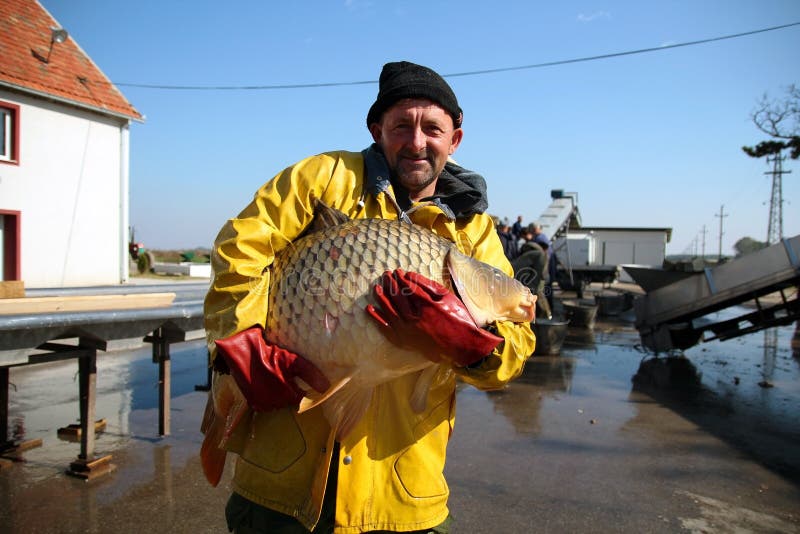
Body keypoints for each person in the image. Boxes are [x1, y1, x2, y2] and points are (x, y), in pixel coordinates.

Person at [203, 61, 536, 534]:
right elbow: (240, 252)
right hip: (283, 487)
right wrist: (245, 347)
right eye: (402, 125)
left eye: (432, 129)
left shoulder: (472, 231)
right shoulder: (325, 177)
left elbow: (517, 345)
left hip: (400, 497)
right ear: (378, 130)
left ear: (454, 140)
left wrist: (475, 350)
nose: (417, 141)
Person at [511, 224, 552, 319]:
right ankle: (544, 318)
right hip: (532, 279)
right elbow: (540, 273)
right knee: (538, 296)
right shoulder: (540, 254)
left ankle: (539, 317)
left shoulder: (535, 253)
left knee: (536, 296)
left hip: (523, 278)